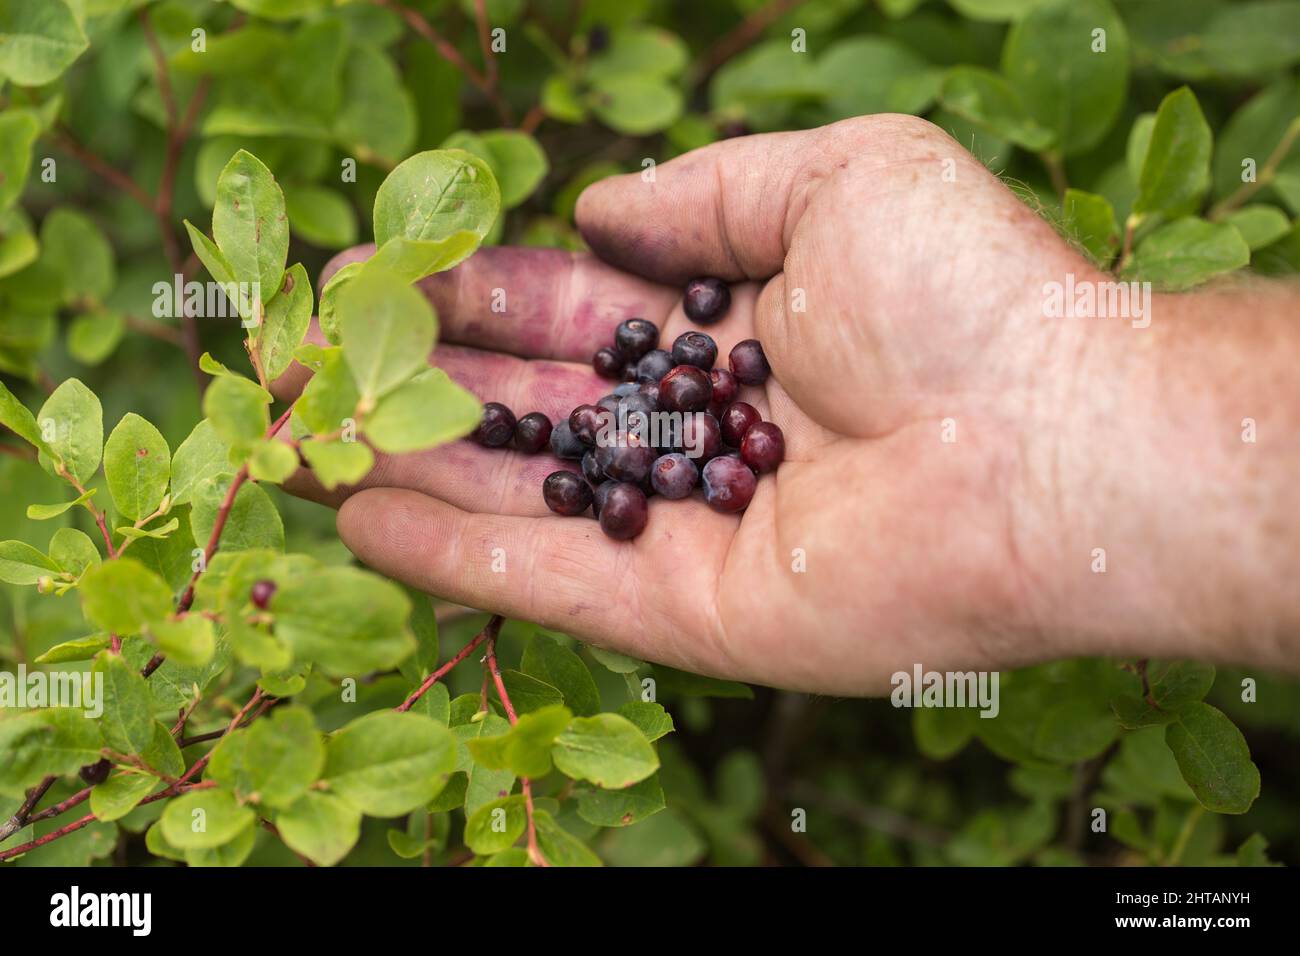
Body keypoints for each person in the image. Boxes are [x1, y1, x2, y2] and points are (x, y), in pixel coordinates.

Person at [273, 115, 1300, 695]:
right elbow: (651, 437)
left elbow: (687, 430)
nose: (677, 451)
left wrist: (1049, 386)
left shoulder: (713, 414)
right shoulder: (666, 425)